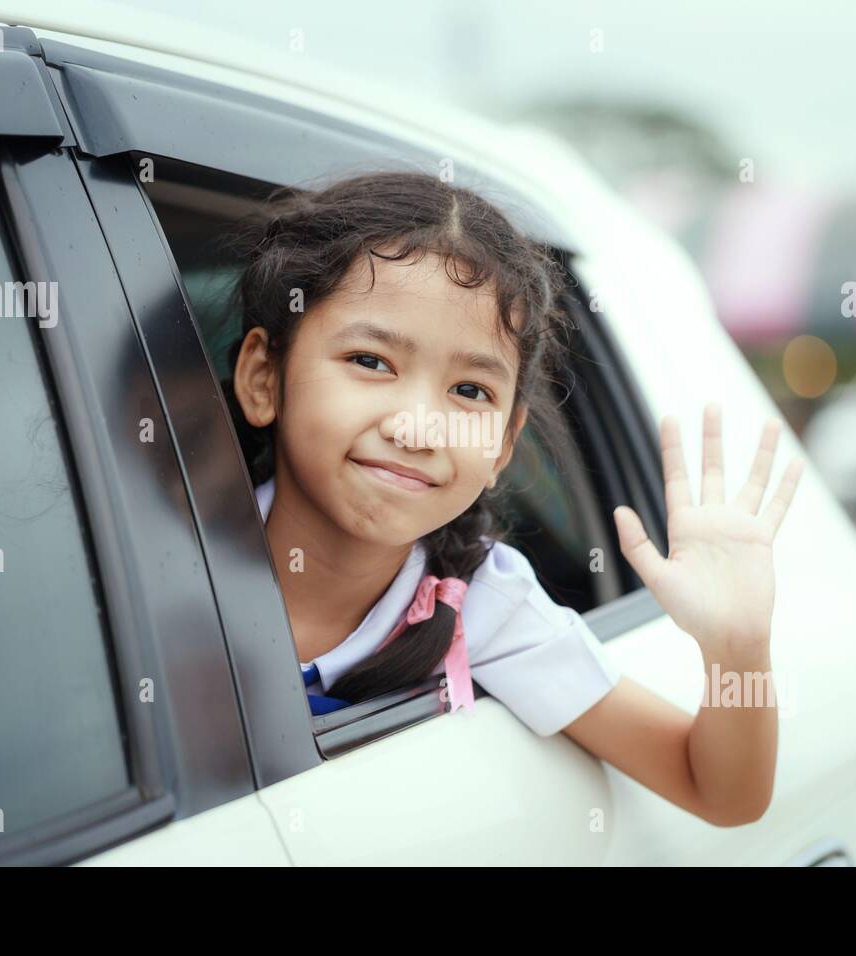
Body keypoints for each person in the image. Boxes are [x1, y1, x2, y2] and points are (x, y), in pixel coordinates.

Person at [223, 171, 804, 826]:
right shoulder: (169, 550)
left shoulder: (490, 604)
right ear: (263, 379)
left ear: (502, 446)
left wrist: (739, 648)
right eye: (371, 361)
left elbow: (721, 792)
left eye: (470, 391)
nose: (418, 426)